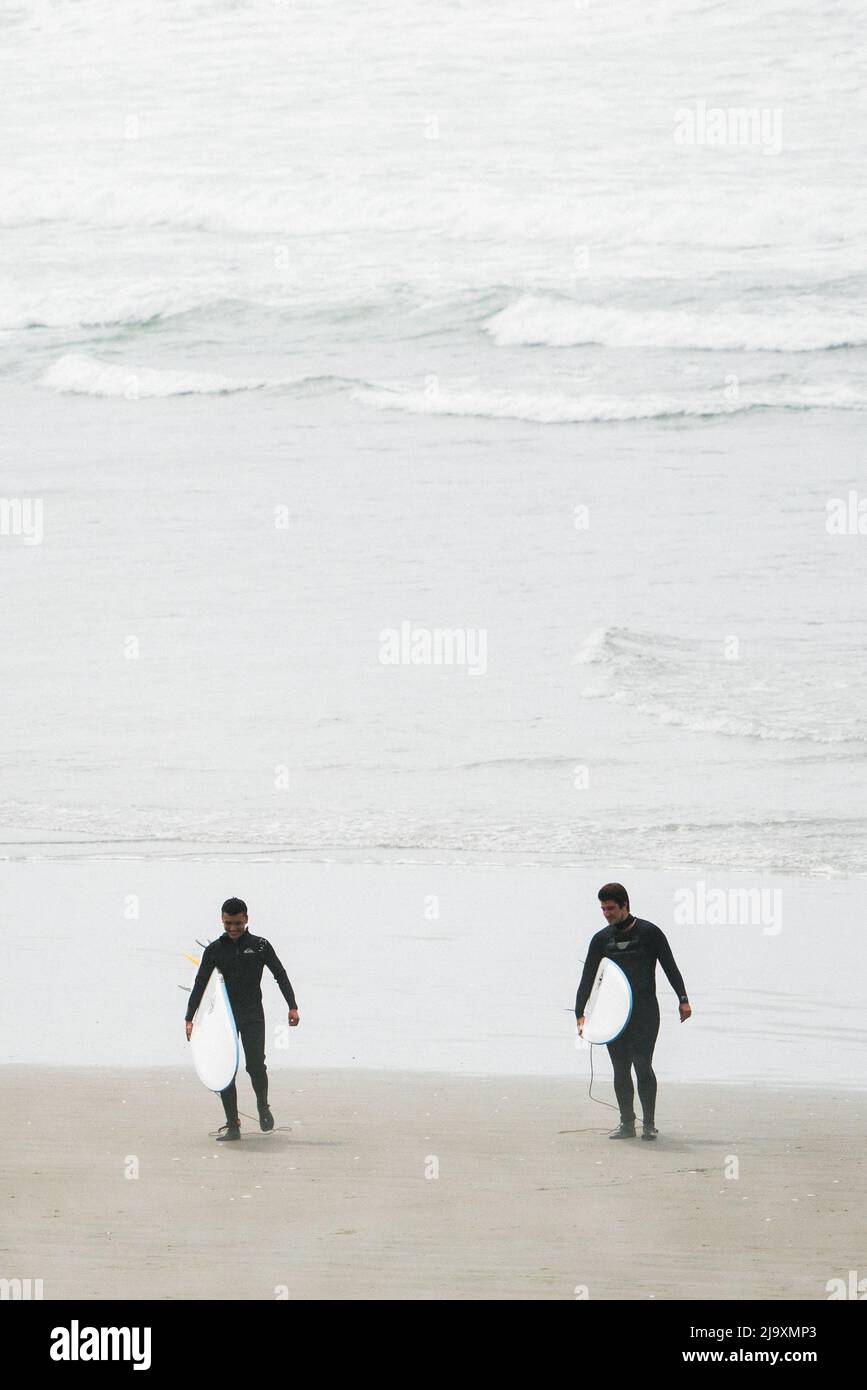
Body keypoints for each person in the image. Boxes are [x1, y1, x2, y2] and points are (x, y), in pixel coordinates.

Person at [575, 882, 690, 1140]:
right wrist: (580, 1015)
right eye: (603, 909)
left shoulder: (650, 933)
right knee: (620, 1068)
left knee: (642, 1065)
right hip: (611, 1014)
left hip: (645, 1011)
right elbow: (587, 978)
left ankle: (648, 1124)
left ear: (626, 905)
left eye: (611, 908)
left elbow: (670, 966)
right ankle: (627, 1123)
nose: (606, 914)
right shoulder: (601, 939)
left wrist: (683, 999)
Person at [185, 897, 300, 1140]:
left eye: (237, 923)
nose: (233, 928)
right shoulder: (214, 950)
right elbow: (200, 983)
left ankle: (262, 1105)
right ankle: (233, 1124)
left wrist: (292, 1006)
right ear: (222, 920)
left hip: (252, 1015)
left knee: (255, 1065)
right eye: (228, 923)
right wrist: (189, 1017)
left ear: (246, 919)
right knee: (225, 1067)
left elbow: (280, 974)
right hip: (225, 1018)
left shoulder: (260, 946)